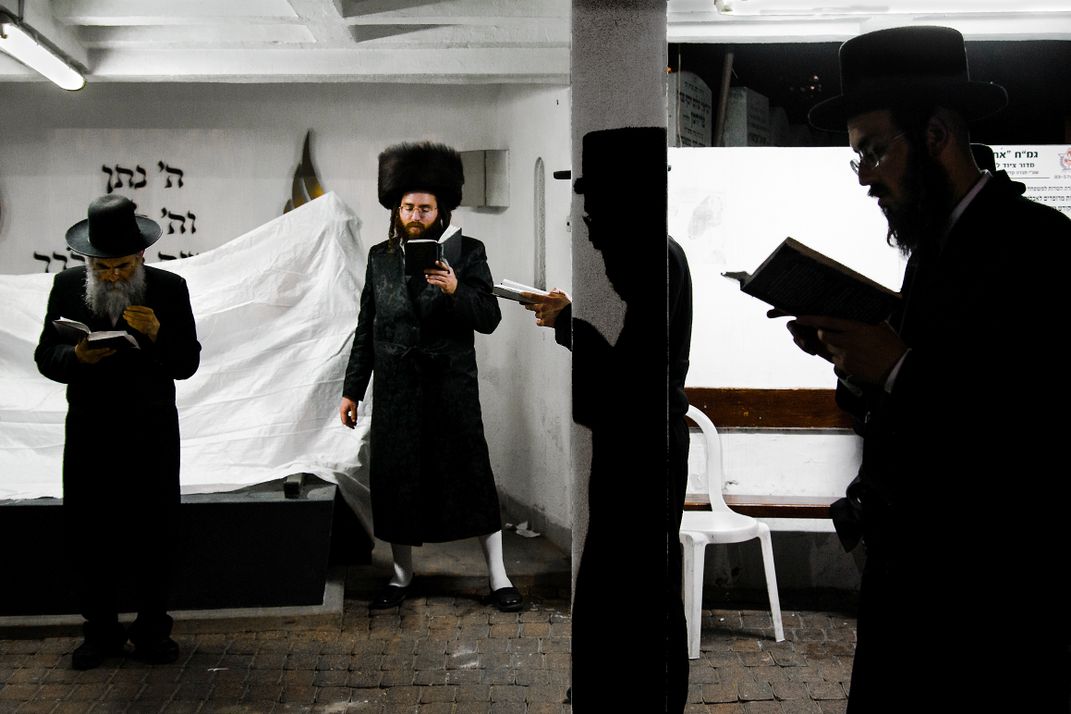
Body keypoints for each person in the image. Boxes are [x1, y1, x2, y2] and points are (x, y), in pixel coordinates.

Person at [786, 26, 1070, 710]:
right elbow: (902, 402)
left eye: (874, 151)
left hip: (988, 608)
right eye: (855, 159)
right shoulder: (933, 253)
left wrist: (901, 370)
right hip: (909, 582)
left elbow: (1040, 435)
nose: (865, 178)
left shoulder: (1042, 250)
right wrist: (854, 365)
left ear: (937, 135)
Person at [339, 141, 522, 612]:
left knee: (472, 479)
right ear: (396, 209)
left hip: (450, 386)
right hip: (398, 389)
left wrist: (457, 288)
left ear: (440, 210)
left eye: (424, 207)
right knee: (398, 480)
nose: (415, 214)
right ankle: (401, 576)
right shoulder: (380, 257)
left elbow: (489, 316)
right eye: (407, 207)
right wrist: (352, 390)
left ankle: (499, 578)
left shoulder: (468, 253)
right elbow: (367, 325)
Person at [35, 194, 201, 670]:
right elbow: (46, 356)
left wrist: (157, 336)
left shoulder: (169, 289)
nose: (112, 275)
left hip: (150, 433)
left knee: (155, 533)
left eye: (122, 266)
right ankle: (100, 632)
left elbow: (186, 363)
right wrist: (77, 359)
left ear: (141, 257)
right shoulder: (67, 287)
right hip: (89, 432)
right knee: (91, 535)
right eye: (102, 267)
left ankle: (152, 631)